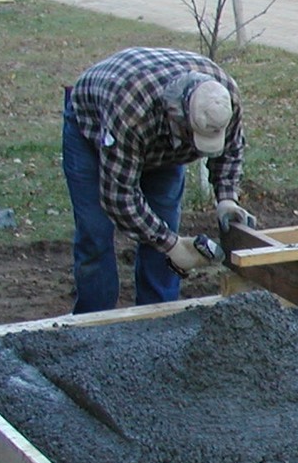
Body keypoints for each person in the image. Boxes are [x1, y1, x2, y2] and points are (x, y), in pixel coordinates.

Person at [61, 47, 256, 314]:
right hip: (94, 127)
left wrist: (227, 199)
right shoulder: (131, 112)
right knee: (95, 235)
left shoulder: (224, 98)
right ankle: (93, 323)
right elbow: (119, 198)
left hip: (154, 136)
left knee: (163, 225)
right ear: (177, 118)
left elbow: (231, 149)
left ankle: (159, 319)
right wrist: (172, 245)